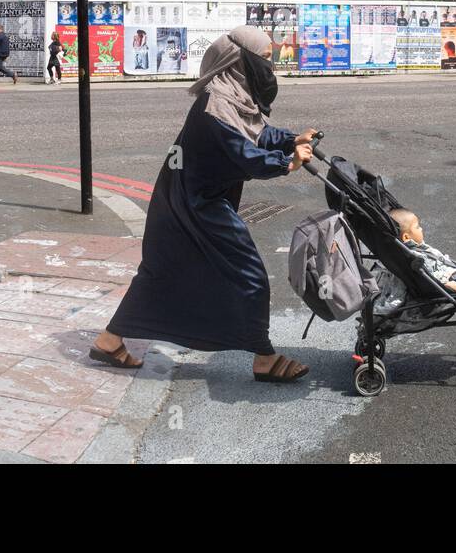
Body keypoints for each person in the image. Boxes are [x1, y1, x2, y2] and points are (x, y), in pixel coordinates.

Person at [90, 25, 318, 383]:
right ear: (241, 61)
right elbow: (244, 153)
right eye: (265, 60)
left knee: (164, 272)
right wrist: (287, 162)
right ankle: (263, 357)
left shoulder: (232, 97)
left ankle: (109, 340)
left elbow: (257, 131)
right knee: (249, 274)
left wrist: (291, 140)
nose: (269, 68)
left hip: (187, 197)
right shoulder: (215, 107)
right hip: (195, 204)